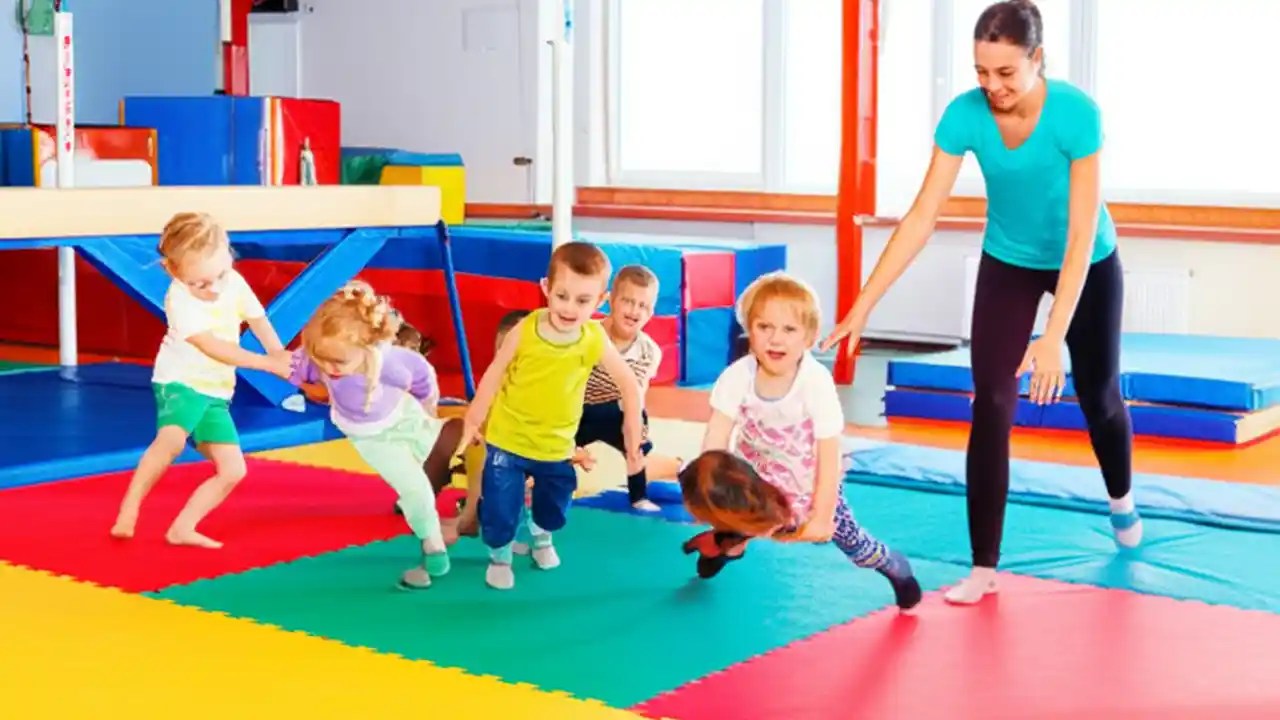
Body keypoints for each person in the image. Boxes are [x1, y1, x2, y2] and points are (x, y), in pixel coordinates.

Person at [822, 0, 1141, 606]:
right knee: (992, 399)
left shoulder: (1076, 115)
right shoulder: (963, 116)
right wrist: (863, 306)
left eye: (1006, 74)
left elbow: (1077, 237)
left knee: (1099, 395)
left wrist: (1052, 337)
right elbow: (921, 217)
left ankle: (1121, 501)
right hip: (1010, 260)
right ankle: (983, 566)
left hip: (1089, 260)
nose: (992, 87)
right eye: (981, 73)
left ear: (1037, 60)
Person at [683, 271, 922, 611]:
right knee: (738, 526)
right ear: (749, 331)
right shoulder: (737, 377)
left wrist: (822, 514)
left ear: (808, 338)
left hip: (812, 483)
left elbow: (829, 450)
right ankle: (726, 544)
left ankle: (891, 565)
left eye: (788, 330)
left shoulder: (814, 382)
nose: (775, 340)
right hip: (758, 483)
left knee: (854, 544)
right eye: (764, 327)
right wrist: (710, 498)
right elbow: (716, 439)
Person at [460, 241, 645, 590]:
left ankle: (541, 533)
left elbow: (628, 384)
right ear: (546, 288)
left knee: (555, 505)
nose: (570, 308)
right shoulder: (526, 330)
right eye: (562, 296)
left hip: (556, 445)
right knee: (501, 504)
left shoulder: (592, 338)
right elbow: (496, 371)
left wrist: (632, 430)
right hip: (507, 438)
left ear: (600, 301)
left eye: (583, 301)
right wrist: (473, 418)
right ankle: (500, 555)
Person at [110, 212, 292, 548]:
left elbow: (258, 320)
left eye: (220, 275)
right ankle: (130, 507)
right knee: (172, 441)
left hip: (216, 392)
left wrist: (280, 354)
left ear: (229, 253)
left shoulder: (234, 282)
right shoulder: (178, 299)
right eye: (200, 284)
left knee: (233, 470)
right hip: (179, 382)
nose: (214, 289)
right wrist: (268, 364)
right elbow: (214, 348)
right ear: (173, 271)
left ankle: (182, 528)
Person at [286, 281, 454, 589]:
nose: (328, 368)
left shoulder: (390, 362)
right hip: (370, 437)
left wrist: (428, 408)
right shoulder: (320, 355)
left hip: (406, 416)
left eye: (337, 362)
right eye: (321, 358)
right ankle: (433, 545)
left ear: (365, 350)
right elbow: (289, 366)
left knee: (439, 462)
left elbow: (422, 376)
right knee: (415, 487)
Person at [578, 264, 665, 512]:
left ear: (651, 312)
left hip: (618, 413)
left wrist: (634, 434)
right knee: (549, 445)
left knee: (636, 443)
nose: (634, 311)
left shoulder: (649, 351)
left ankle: (638, 494)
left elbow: (637, 396)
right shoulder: (589, 334)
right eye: (628, 301)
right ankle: (530, 479)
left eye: (643, 306)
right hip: (580, 409)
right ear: (611, 301)